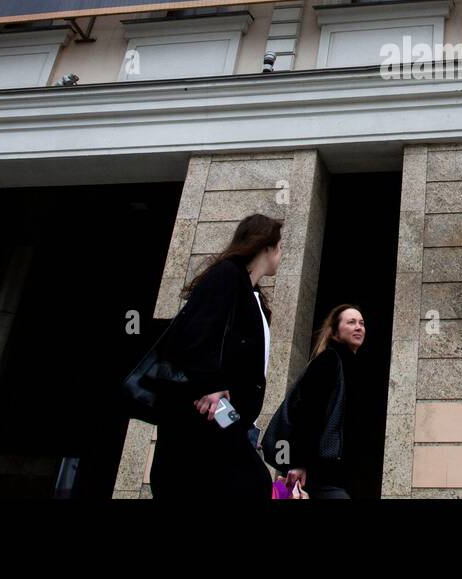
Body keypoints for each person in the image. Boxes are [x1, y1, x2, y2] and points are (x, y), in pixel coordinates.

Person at [149, 213, 281, 500]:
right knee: (254, 482)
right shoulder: (227, 275)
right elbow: (195, 332)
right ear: (267, 246)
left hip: (228, 416)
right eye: (279, 246)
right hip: (208, 409)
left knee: (245, 482)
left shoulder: (253, 295)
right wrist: (210, 383)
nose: (281, 255)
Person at [283, 304, 366, 499]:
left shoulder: (352, 366)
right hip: (321, 474)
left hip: (340, 476)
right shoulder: (329, 360)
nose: (358, 327)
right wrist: (299, 462)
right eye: (351, 322)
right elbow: (307, 411)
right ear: (336, 331)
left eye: (361, 323)